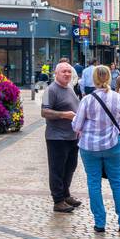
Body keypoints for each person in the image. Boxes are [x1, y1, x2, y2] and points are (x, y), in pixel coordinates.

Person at [72, 65, 120, 233]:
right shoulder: (117, 98)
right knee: (117, 182)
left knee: (93, 183)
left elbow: (77, 125)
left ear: (94, 80)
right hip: (113, 145)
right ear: (109, 78)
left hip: (89, 147)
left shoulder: (87, 100)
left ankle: (100, 223)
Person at [41, 62, 83, 213]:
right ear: (56, 74)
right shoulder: (51, 90)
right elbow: (44, 112)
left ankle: (66, 194)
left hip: (72, 136)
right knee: (57, 169)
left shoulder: (69, 88)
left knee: (70, 167)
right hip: (56, 137)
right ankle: (58, 200)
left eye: (68, 72)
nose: (67, 74)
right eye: (63, 72)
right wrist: (64, 115)